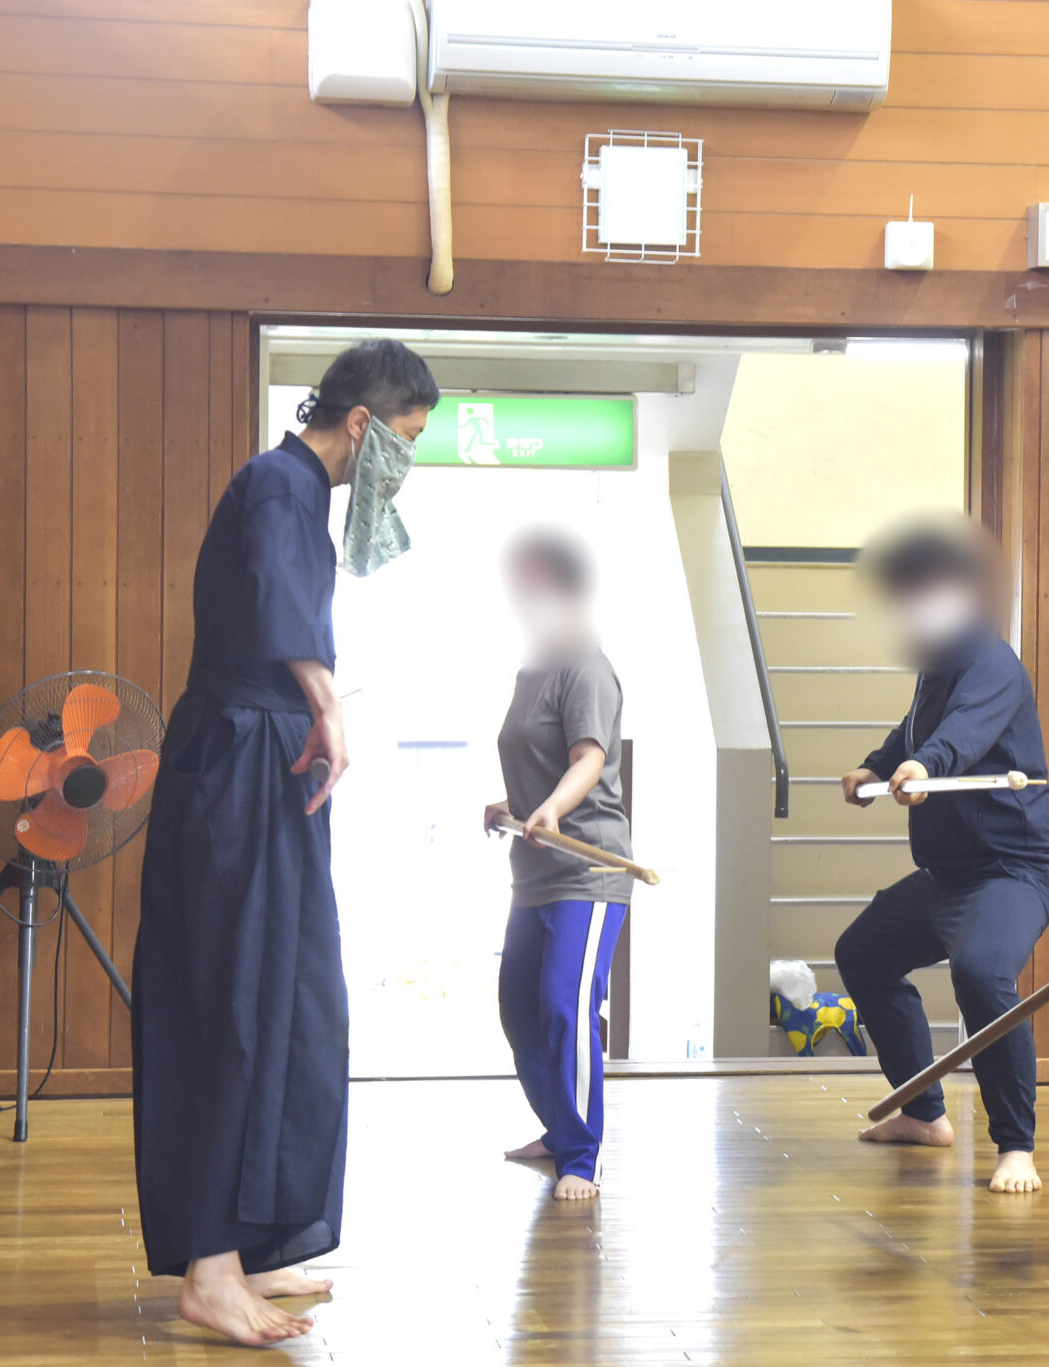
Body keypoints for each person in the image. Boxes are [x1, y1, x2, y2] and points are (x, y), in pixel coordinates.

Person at [133, 339, 438, 1345]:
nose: (405, 462)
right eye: (406, 439)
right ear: (362, 422)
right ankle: (210, 1268)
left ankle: (252, 1238)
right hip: (237, 766)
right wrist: (327, 706)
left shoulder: (294, 490)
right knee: (238, 1002)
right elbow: (276, 607)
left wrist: (314, 717)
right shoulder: (276, 482)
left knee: (296, 1001)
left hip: (261, 762)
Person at [834, 517, 1049, 1195]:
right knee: (864, 953)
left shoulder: (992, 662)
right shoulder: (935, 666)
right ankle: (922, 1111)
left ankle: (1017, 1145)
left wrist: (921, 766)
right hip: (948, 876)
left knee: (981, 971)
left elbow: (957, 737)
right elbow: (914, 732)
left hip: (1013, 872)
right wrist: (873, 767)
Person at [484, 530, 635, 1204]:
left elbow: (588, 758)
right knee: (518, 1009)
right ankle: (556, 1124)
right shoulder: (532, 670)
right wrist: (513, 804)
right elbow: (535, 757)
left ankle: (582, 1153)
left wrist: (549, 808)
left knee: (564, 1007)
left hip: (587, 872)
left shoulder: (586, 665)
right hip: (533, 873)